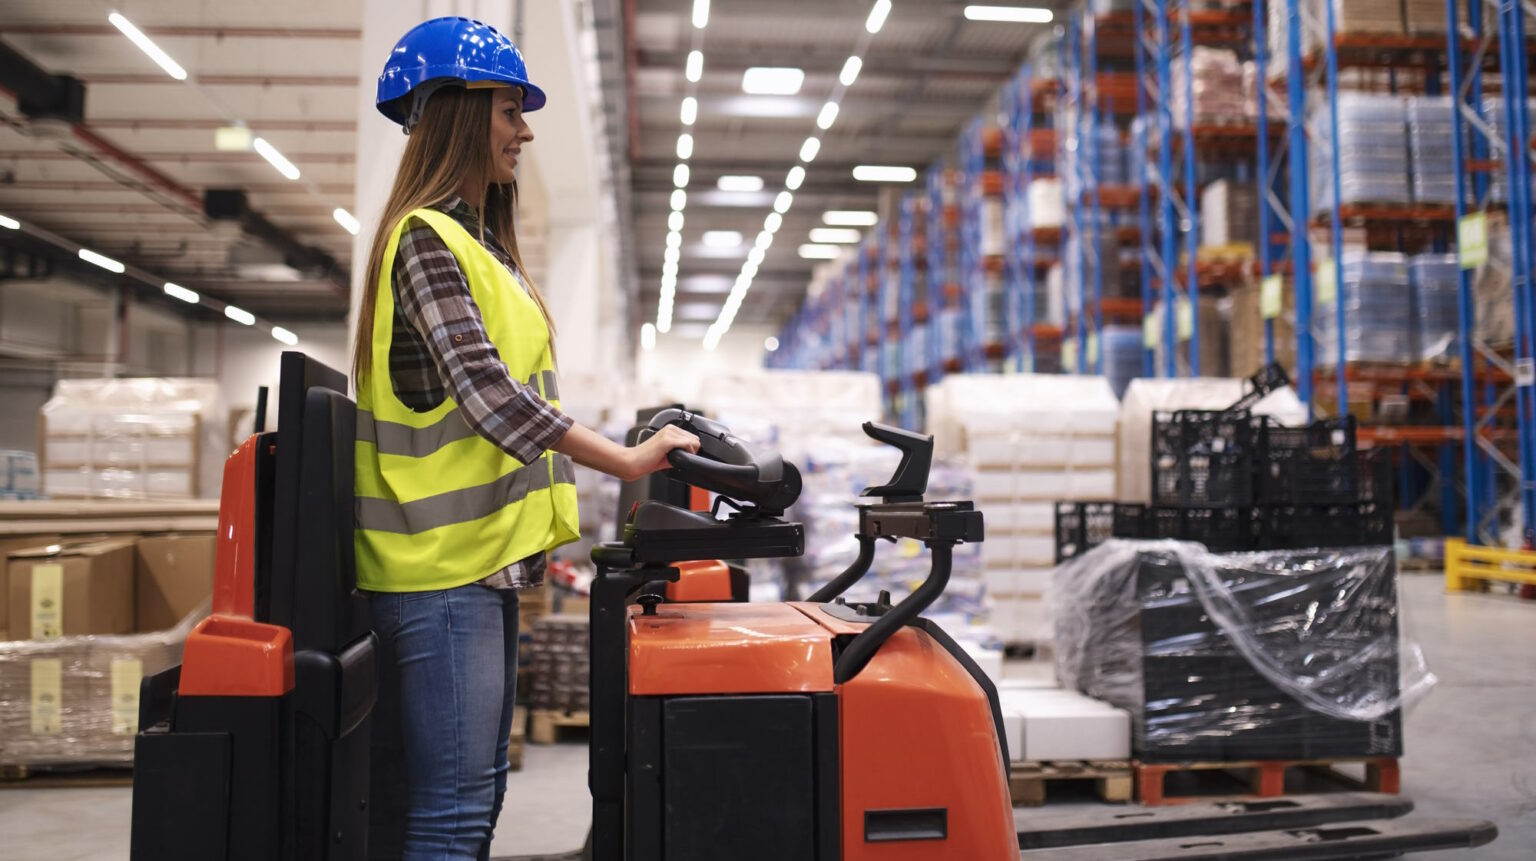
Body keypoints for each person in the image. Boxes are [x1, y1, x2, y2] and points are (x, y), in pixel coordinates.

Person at [353, 17, 699, 860]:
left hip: (481, 569)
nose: (524, 130)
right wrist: (622, 458)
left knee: (481, 795)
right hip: (438, 574)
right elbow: (488, 397)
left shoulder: (484, 249)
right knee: (454, 811)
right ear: (459, 114)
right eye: (509, 109)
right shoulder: (425, 242)